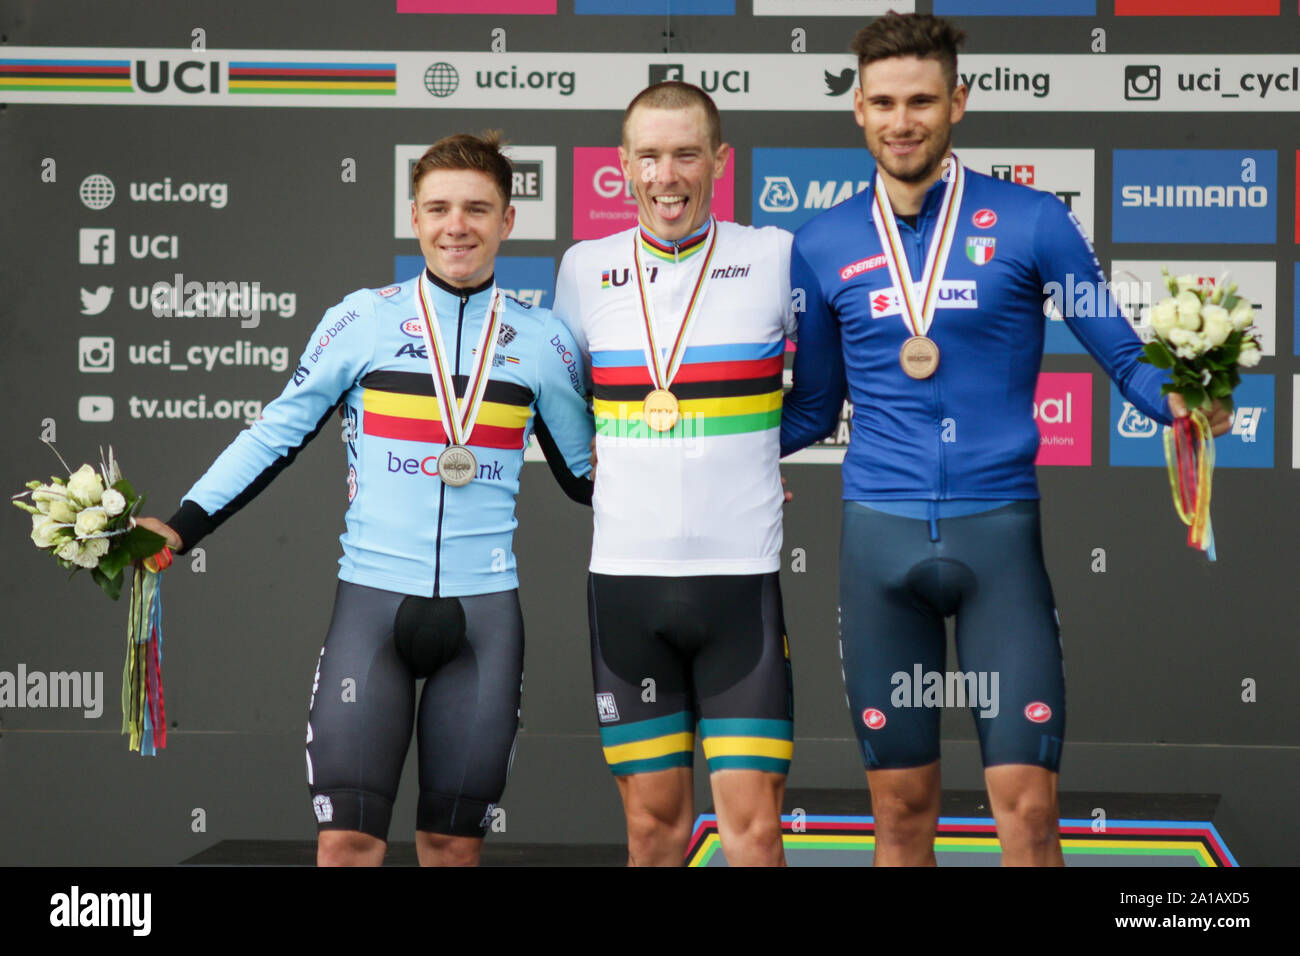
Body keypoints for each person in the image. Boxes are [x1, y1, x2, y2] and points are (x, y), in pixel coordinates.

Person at [780, 12, 1230, 867]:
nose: (901, 120)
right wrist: (692, 447)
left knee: (1026, 812)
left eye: (921, 100)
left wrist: (1183, 403)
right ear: (858, 112)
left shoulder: (1032, 221)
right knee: (900, 813)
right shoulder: (822, 242)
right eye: (882, 102)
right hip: (878, 545)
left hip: (1000, 544)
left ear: (959, 101)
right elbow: (810, 411)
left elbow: (1125, 358)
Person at [136, 132, 594, 867]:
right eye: (439, 207)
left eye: (478, 209)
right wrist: (182, 527)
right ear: (414, 216)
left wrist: (720, 475)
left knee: (451, 846)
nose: (457, 225)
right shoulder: (361, 320)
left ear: (509, 220)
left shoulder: (544, 341)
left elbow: (589, 477)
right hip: (373, 610)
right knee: (347, 843)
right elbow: (273, 437)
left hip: (484, 619)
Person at [553, 82, 797, 867]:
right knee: (653, 831)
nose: (668, 175)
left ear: (719, 162)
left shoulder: (774, 256)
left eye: (687, 154)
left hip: (740, 583)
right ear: (622, 166)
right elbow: (566, 415)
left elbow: (829, 387)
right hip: (627, 583)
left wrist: (759, 451)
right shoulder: (585, 269)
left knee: (753, 831)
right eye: (650, 156)